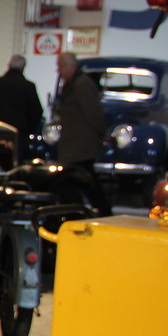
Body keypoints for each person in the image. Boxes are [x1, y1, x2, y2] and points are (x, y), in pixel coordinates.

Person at [54, 51, 110, 214]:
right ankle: (81, 210)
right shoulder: (75, 83)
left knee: (82, 181)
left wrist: (102, 132)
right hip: (76, 146)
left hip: (81, 146)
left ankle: (92, 211)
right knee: (78, 181)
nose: (59, 71)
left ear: (70, 66)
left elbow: (93, 112)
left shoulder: (81, 84)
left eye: (60, 67)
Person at [0, 54, 41, 161]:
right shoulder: (28, 87)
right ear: (23, 67)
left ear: (8, 65)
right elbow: (36, 112)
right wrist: (27, 130)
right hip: (19, 137)